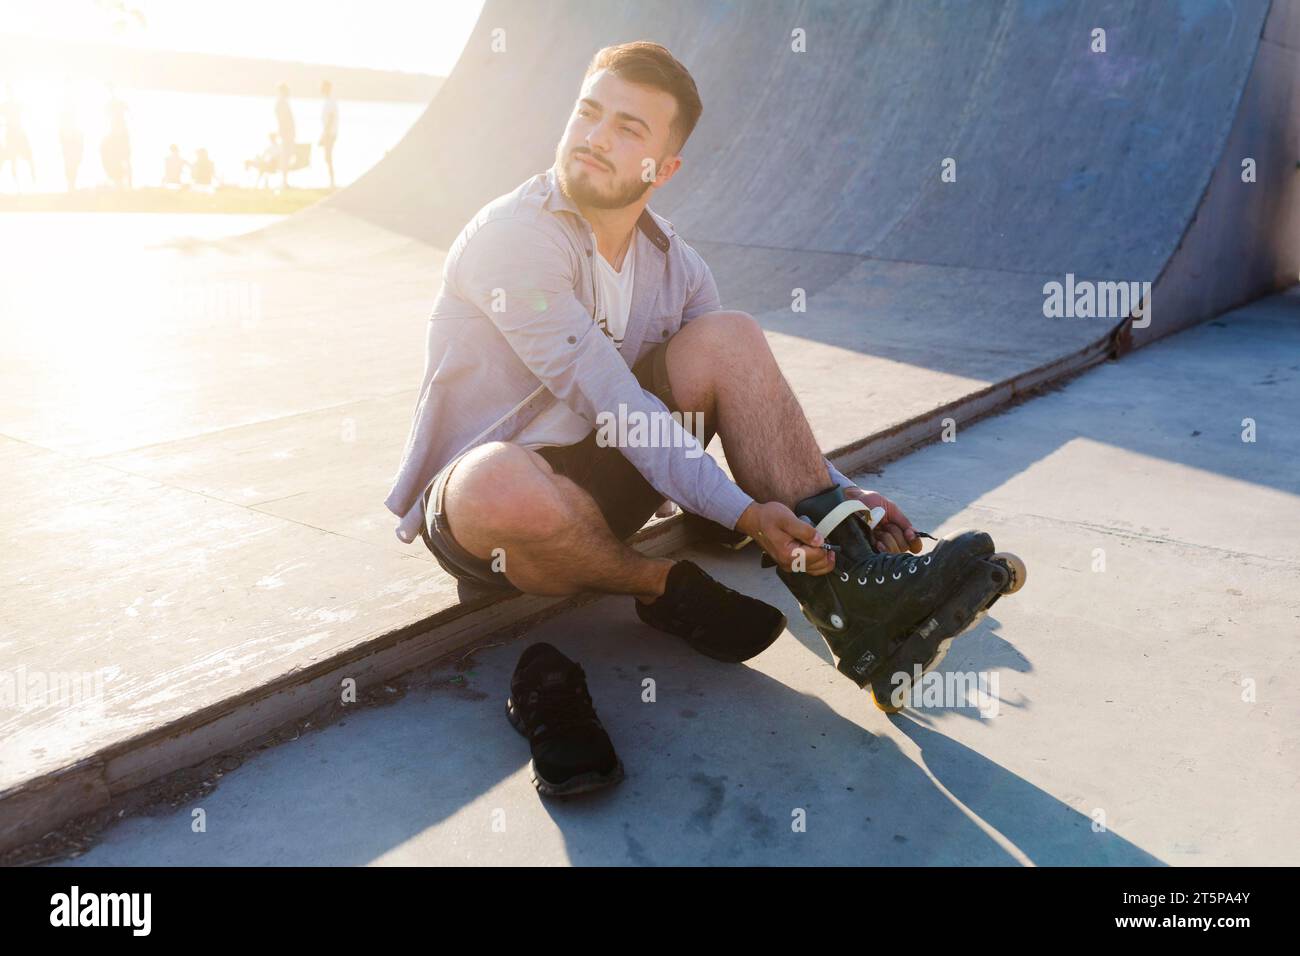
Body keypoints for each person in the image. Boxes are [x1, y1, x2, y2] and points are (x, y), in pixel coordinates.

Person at [386, 42, 1005, 796]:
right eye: (589, 113)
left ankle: (855, 597)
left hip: (610, 490)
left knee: (730, 336)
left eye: (628, 130)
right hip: (497, 516)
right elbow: (618, 404)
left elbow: (748, 391)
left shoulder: (676, 264)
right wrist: (742, 513)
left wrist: (846, 492)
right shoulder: (512, 239)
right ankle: (659, 584)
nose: (595, 138)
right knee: (498, 484)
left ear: (663, 169)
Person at [0, 85, 36, 190]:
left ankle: (32, 180)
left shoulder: (14, 104)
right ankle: (19, 186)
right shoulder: (6, 105)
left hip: (18, 133)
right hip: (12, 134)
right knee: (14, 160)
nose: (9, 93)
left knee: (26, 159)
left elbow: (28, 110)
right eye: (8, 91)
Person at [101, 86, 132, 189]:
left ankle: (127, 183)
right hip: (118, 133)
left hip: (119, 134)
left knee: (124, 158)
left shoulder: (116, 105)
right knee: (124, 159)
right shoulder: (117, 105)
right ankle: (126, 183)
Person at [58, 87, 84, 192]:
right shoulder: (64, 113)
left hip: (72, 139)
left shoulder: (73, 111)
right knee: (69, 162)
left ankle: (71, 184)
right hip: (68, 139)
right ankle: (70, 185)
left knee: (74, 162)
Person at [275, 83, 295, 190]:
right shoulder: (281, 103)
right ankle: (284, 182)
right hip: (286, 134)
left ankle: (285, 181)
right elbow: (283, 120)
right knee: (285, 157)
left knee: (286, 157)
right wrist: (286, 133)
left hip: (287, 134)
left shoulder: (283, 103)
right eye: (287, 91)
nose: (289, 93)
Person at [319, 79, 338, 190]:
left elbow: (331, 118)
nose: (320, 89)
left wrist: (325, 134)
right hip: (328, 133)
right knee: (327, 157)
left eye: (322, 87)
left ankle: (332, 182)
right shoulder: (328, 101)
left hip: (330, 134)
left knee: (328, 157)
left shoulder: (330, 101)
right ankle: (331, 181)